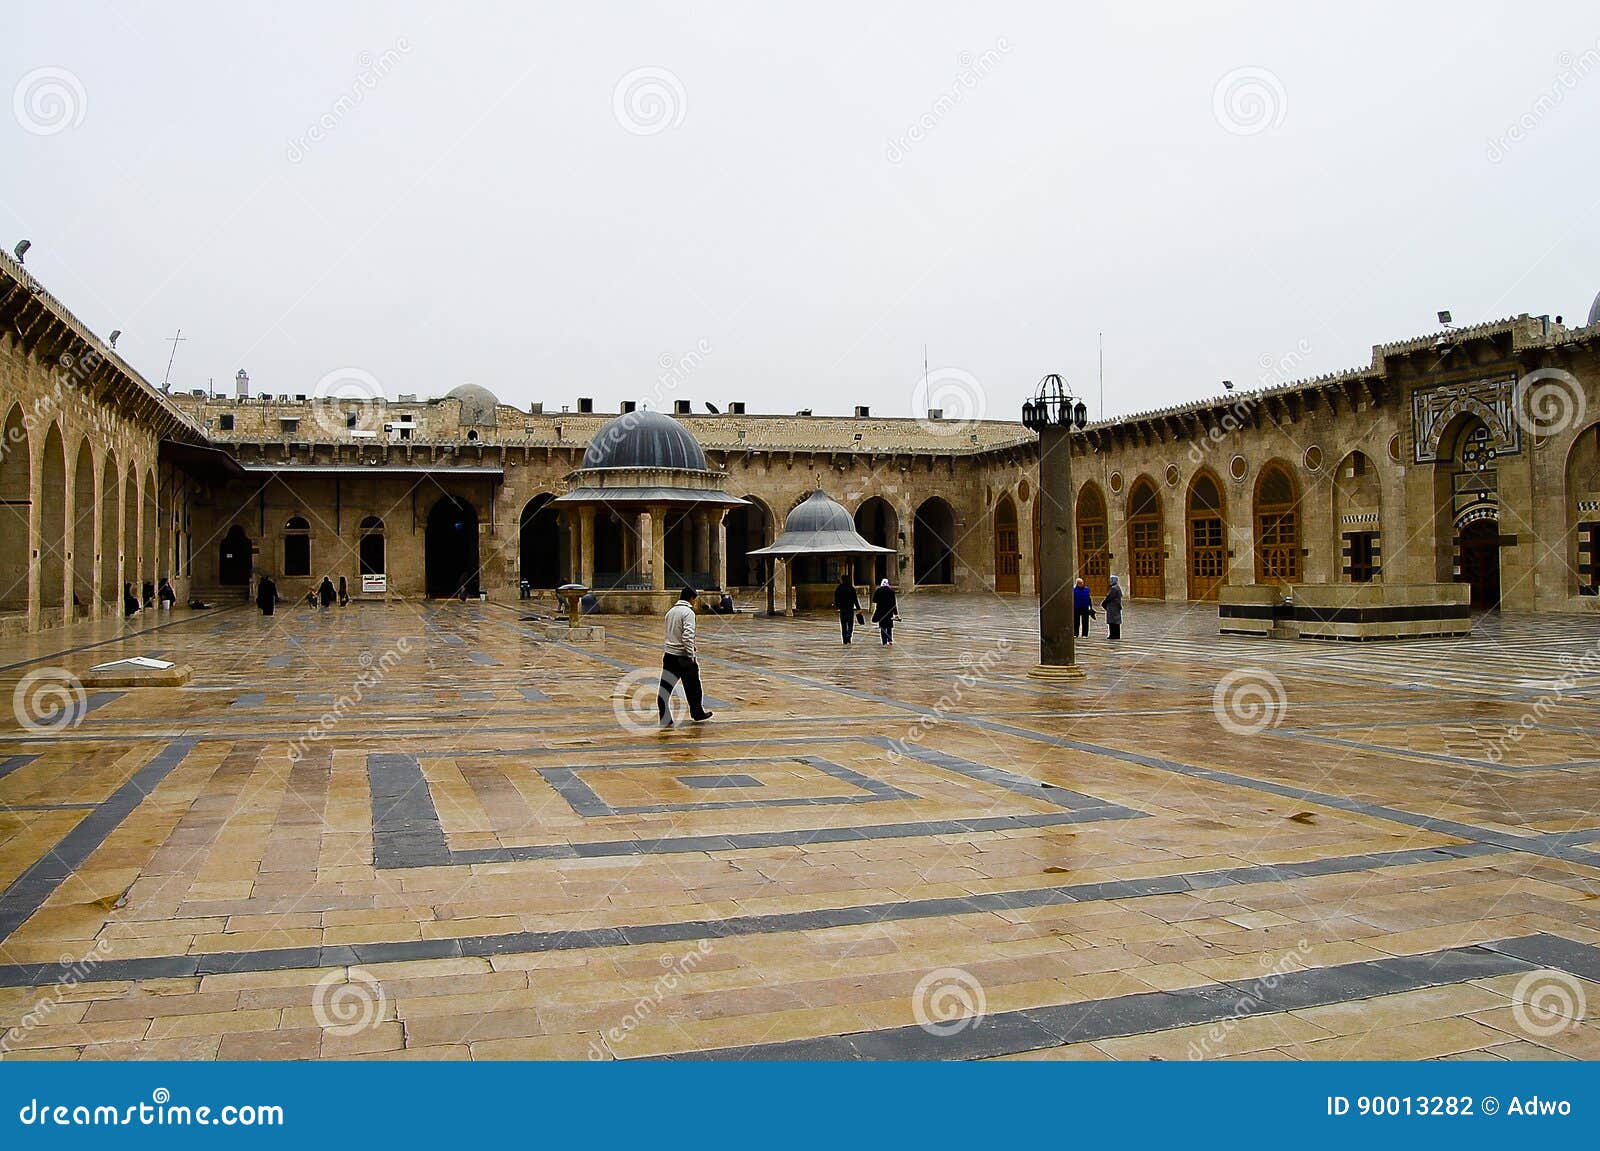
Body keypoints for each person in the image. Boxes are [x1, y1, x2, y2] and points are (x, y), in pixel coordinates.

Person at [658, 586, 713, 727]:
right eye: (695, 599)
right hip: (683, 657)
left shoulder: (670, 612)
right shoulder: (688, 613)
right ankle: (697, 712)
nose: (695, 602)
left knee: (665, 689)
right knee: (694, 687)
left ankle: (665, 718)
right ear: (691, 598)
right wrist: (691, 655)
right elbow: (688, 636)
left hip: (669, 655)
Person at [834, 572, 861, 645]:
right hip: (850, 609)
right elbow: (855, 599)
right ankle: (848, 636)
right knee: (850, 624)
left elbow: (836, 599)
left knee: (843, 625)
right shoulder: (851, 588)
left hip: (843, 609)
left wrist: (837, 606)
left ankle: (844, 639)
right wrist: (858, 608)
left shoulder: (839, 588)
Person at [871, 578, 898, 646]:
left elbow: (874, 600)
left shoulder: (878, 590)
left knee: (882, 626)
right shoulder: (891, 591)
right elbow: (893, 603)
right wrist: (896, 613)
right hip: (889, 612)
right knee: (889, 626)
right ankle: (890, 640)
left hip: (880, 611)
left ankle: (884, 641)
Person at [1102, 574, 1124, 641]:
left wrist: (1104, 603)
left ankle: (1113, 635)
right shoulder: (1117, 587)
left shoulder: (1114, 588)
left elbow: (1109, 597)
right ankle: (1116, 635)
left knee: (1113, 622)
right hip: (1116, 607)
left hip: (1112, 607)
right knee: (1116, 622)